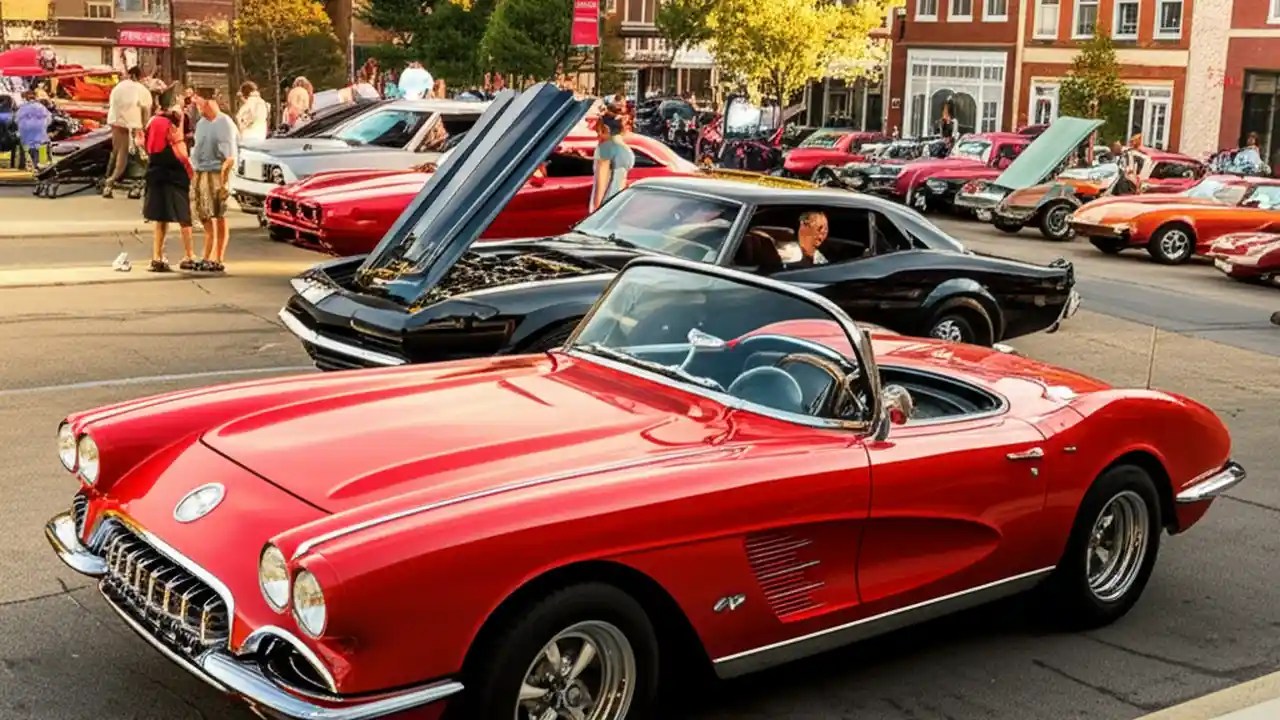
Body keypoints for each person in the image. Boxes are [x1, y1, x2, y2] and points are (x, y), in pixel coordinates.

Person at [142, 85, 196, 272]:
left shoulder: (154, 122)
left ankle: (157, 256)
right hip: (177, 170)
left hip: (156, 170)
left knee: (160, 216)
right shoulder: (178, 120)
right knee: (183, 215)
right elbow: (182, 144)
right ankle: (189, 254)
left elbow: (147, 146)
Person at [190, 89, 238, 273]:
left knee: (219, 214)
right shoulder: (202, 123)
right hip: (201, 171)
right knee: (204, 214)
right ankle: (207, 255)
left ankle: (218, 257)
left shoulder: (224, 123)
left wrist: (225, 182)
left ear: (209, 102)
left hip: (218, 172)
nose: (198, 108)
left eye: (200, 104)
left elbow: (230, 157)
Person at [103, 66, 154, 197]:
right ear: (138, 76)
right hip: (133, 126)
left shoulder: (118, 87)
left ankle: (108, 182)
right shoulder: (141, 89)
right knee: (141, 157)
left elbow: (112, 105)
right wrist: (145, 126)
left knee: (119, 153)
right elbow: (146, 110)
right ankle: (136, 184)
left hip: (116, 123)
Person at [590, 113, 634, 212]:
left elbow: (601, 184)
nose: (598, 135)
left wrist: (595, 212)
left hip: (604, 207)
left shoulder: (605, 148)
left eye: (598, 131)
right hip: (617, 205)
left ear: (605, 128)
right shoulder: (626, 150)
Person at [15, 92, 52, 171]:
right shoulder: (41, 107)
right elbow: (49, 119)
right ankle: (41, 163)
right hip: (39, 130)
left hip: (26, 130)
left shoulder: (22, 107)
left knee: (25, 146)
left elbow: (17, 119)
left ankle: (23, 164)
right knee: (41, 144)